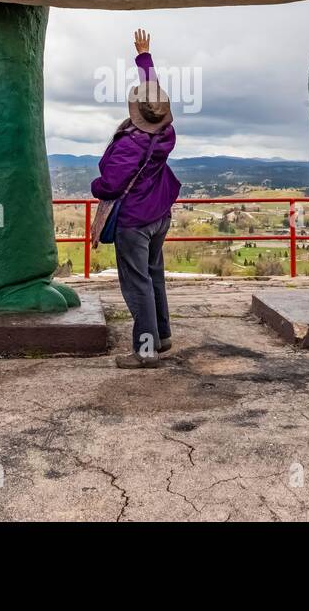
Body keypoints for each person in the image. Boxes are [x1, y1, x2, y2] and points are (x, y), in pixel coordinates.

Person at [91, 29, 181, 369]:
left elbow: (110, 186)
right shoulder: (166, 131)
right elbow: (153, 98)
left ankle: (145, 352)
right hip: (160, 214)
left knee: (137, 283)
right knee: (154, 274)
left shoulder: (131, 144)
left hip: (135, 221)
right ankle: (162, 336)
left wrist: (95, 186)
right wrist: (144, 57)